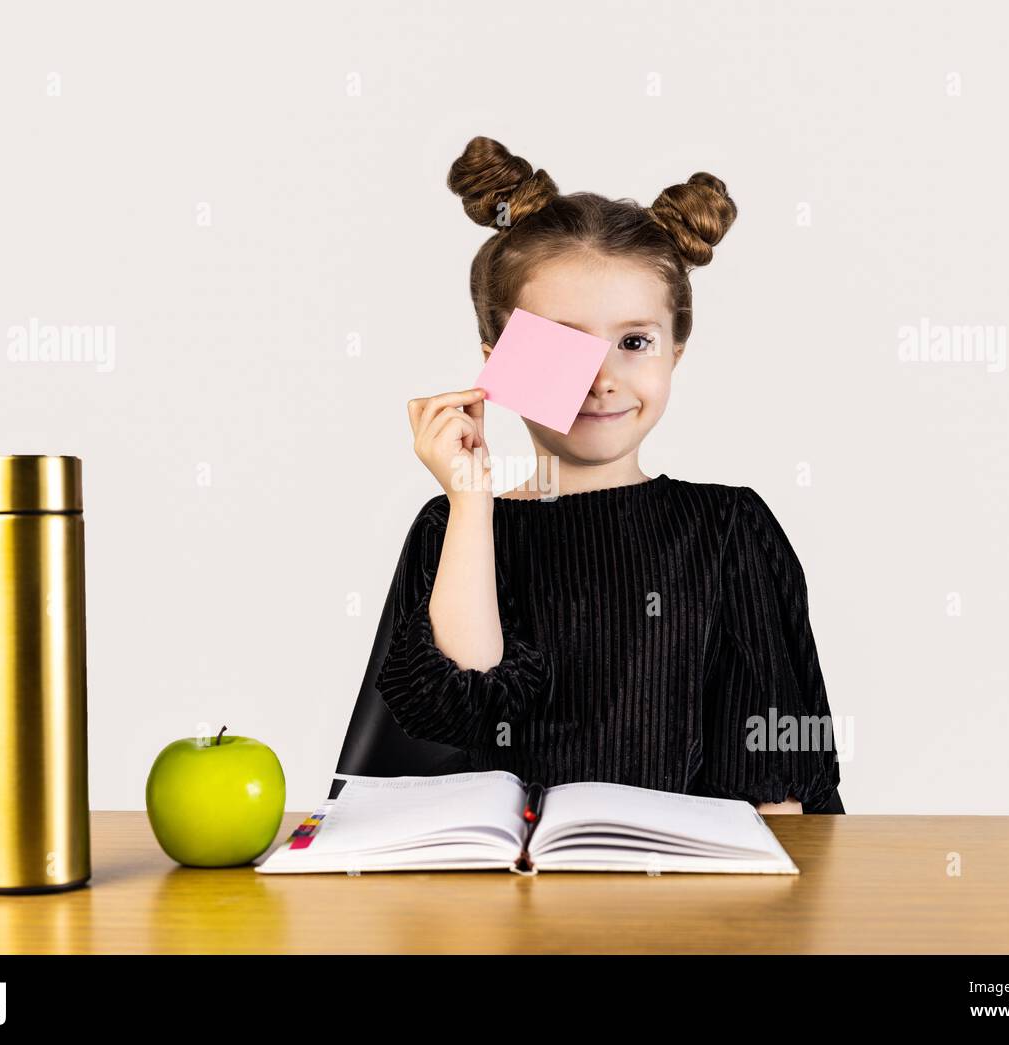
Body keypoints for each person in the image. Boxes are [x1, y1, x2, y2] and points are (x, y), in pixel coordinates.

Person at [361, 135, 843, 814]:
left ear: (677, 349)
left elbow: (777, 772)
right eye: (564, 345)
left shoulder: (731, 527)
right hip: (495, 907)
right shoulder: (453, 528)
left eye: (635, 342)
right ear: (498, 362)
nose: (602, 379)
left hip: (682, 906)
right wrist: (471, 504)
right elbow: (455, 708)